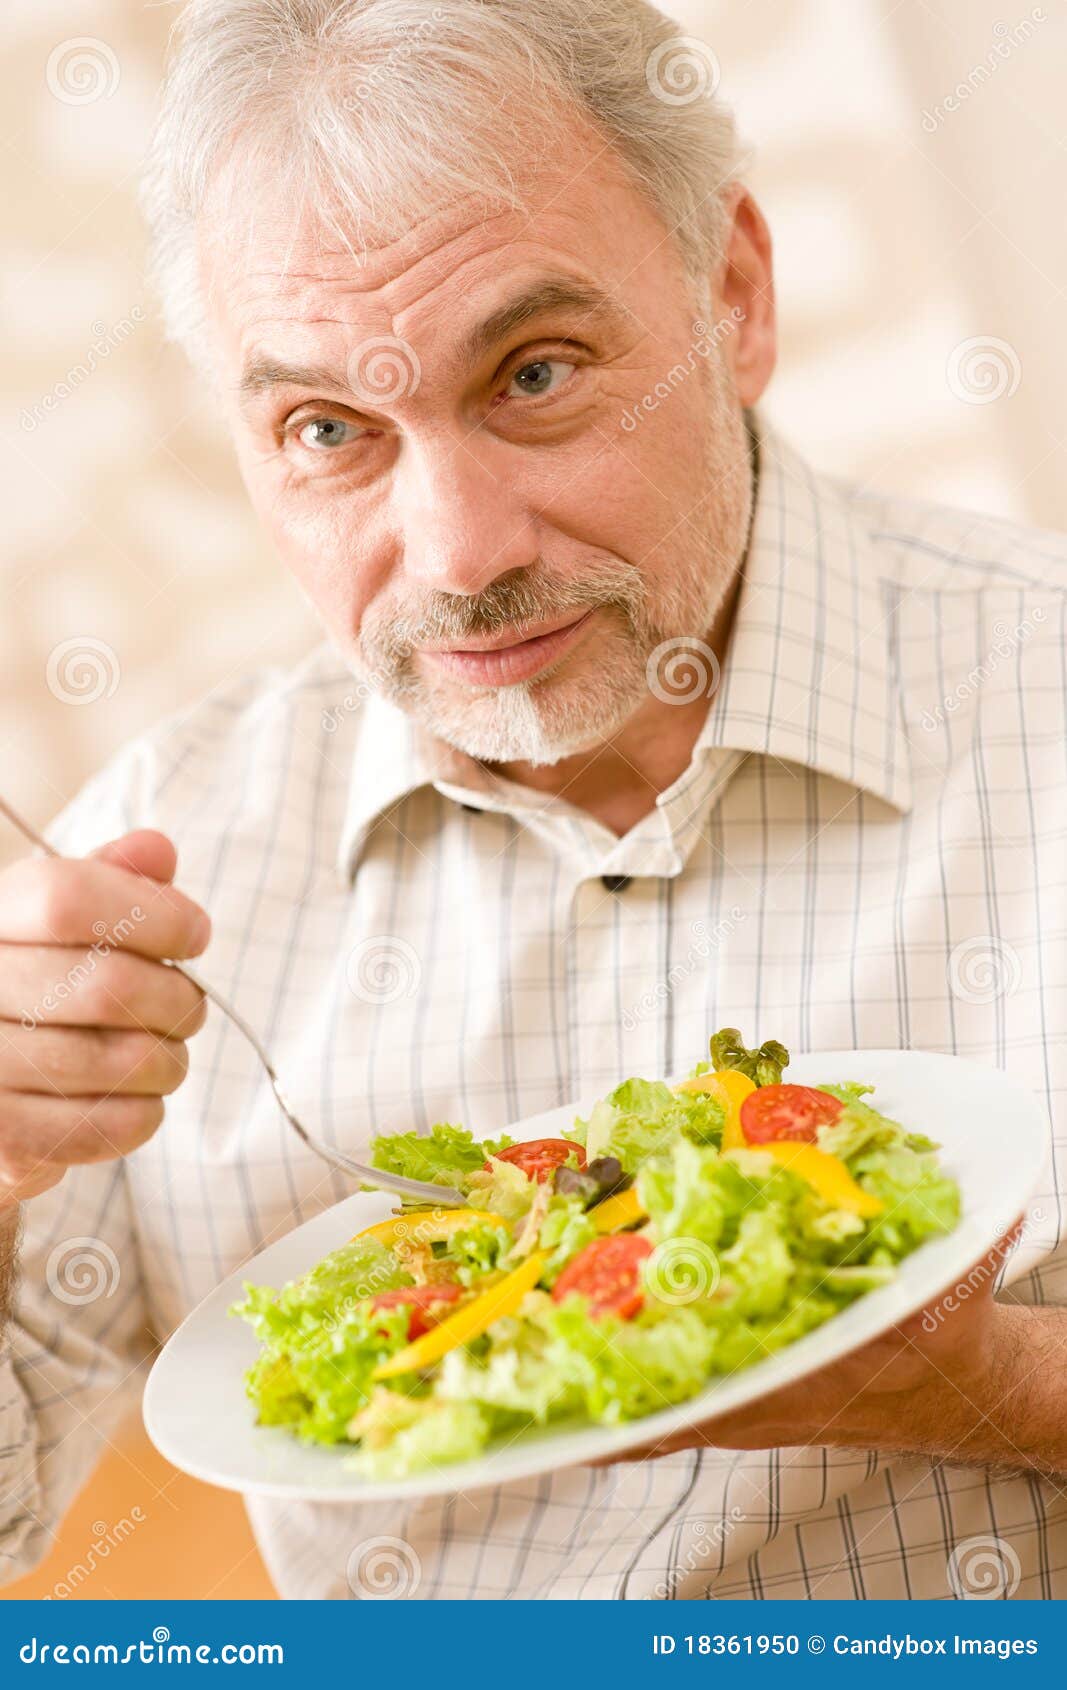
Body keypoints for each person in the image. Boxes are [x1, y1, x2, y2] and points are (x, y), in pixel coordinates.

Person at [1, 0, 1064, 1601]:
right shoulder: (154, 857)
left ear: (736, 294)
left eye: (537, 373)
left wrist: (990, 1381)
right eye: (328, 430)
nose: (457, 553)